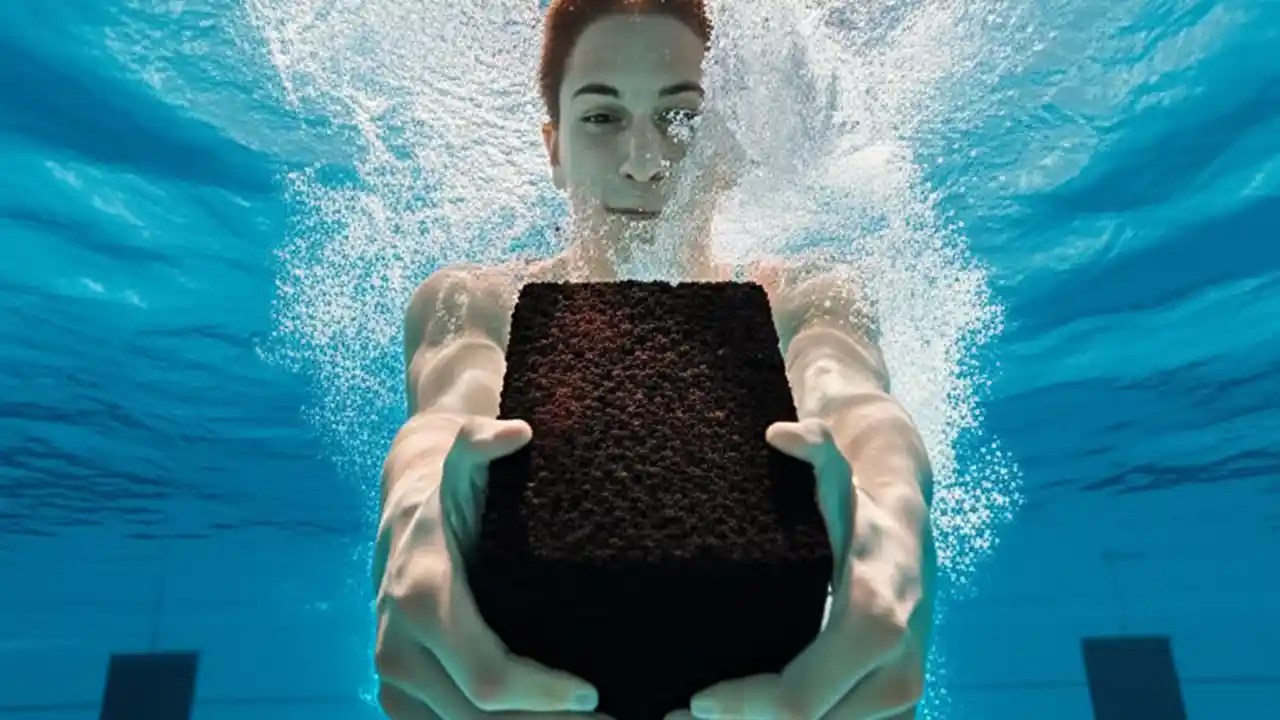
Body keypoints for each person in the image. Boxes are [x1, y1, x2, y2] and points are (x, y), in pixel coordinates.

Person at [373, 2, 937, 719]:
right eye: (603, 118)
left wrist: (894, 522)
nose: (644, 162)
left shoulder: (806, 298)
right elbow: (442, 419)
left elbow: (859, 406)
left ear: (727, 147)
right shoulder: (476, 302)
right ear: (554, 149)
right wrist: (412, 523)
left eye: (683, 118)